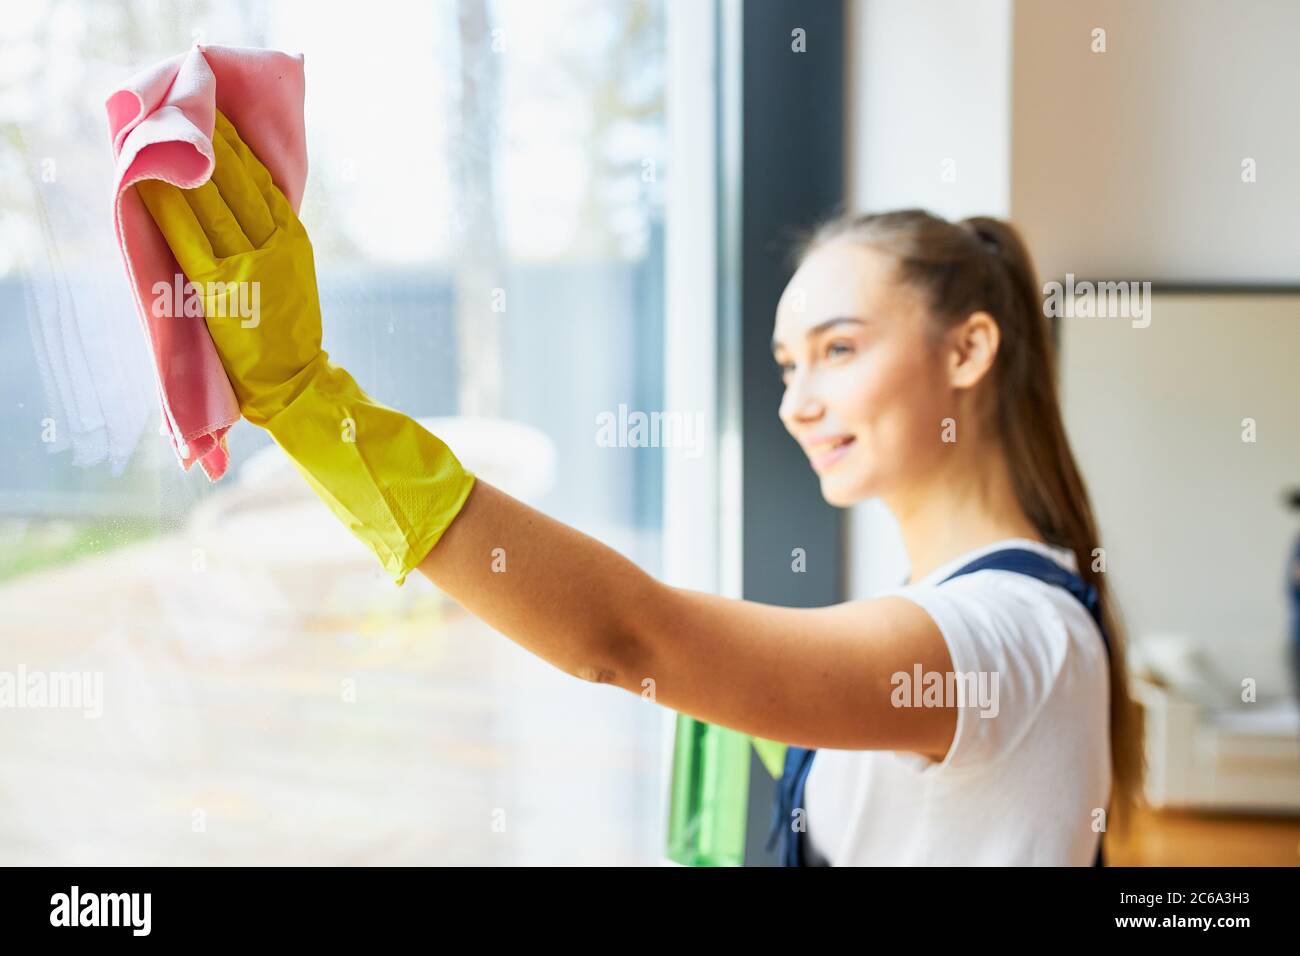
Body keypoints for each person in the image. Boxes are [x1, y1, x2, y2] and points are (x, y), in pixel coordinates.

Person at [137, 110, 1142, 866]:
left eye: (839, 348)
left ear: (968, 349)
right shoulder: (996, 618)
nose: (797, 402)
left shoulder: (1005, 633)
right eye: (787, 365)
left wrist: (308, 400)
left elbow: (627, 637)